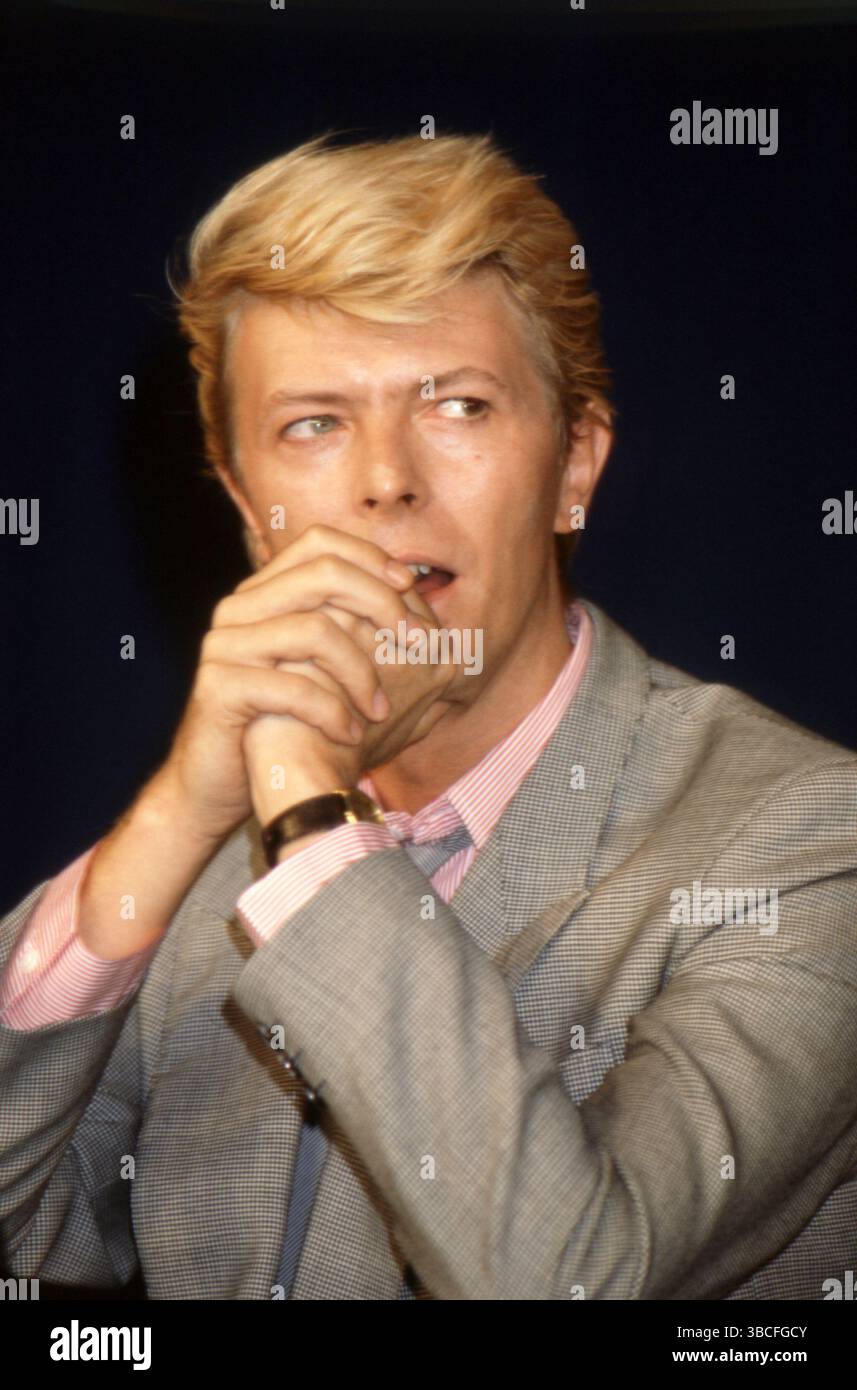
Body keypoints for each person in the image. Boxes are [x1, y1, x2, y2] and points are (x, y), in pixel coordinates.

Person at [1, 130, 855, 1302]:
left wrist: (307, 812)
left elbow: (570, 1277)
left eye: (455, 404)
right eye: (313, 423)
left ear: (573, 466)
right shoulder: (198, 866)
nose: (384, 480)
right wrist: (181, 815)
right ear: (249, 503)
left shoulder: (809, 837)